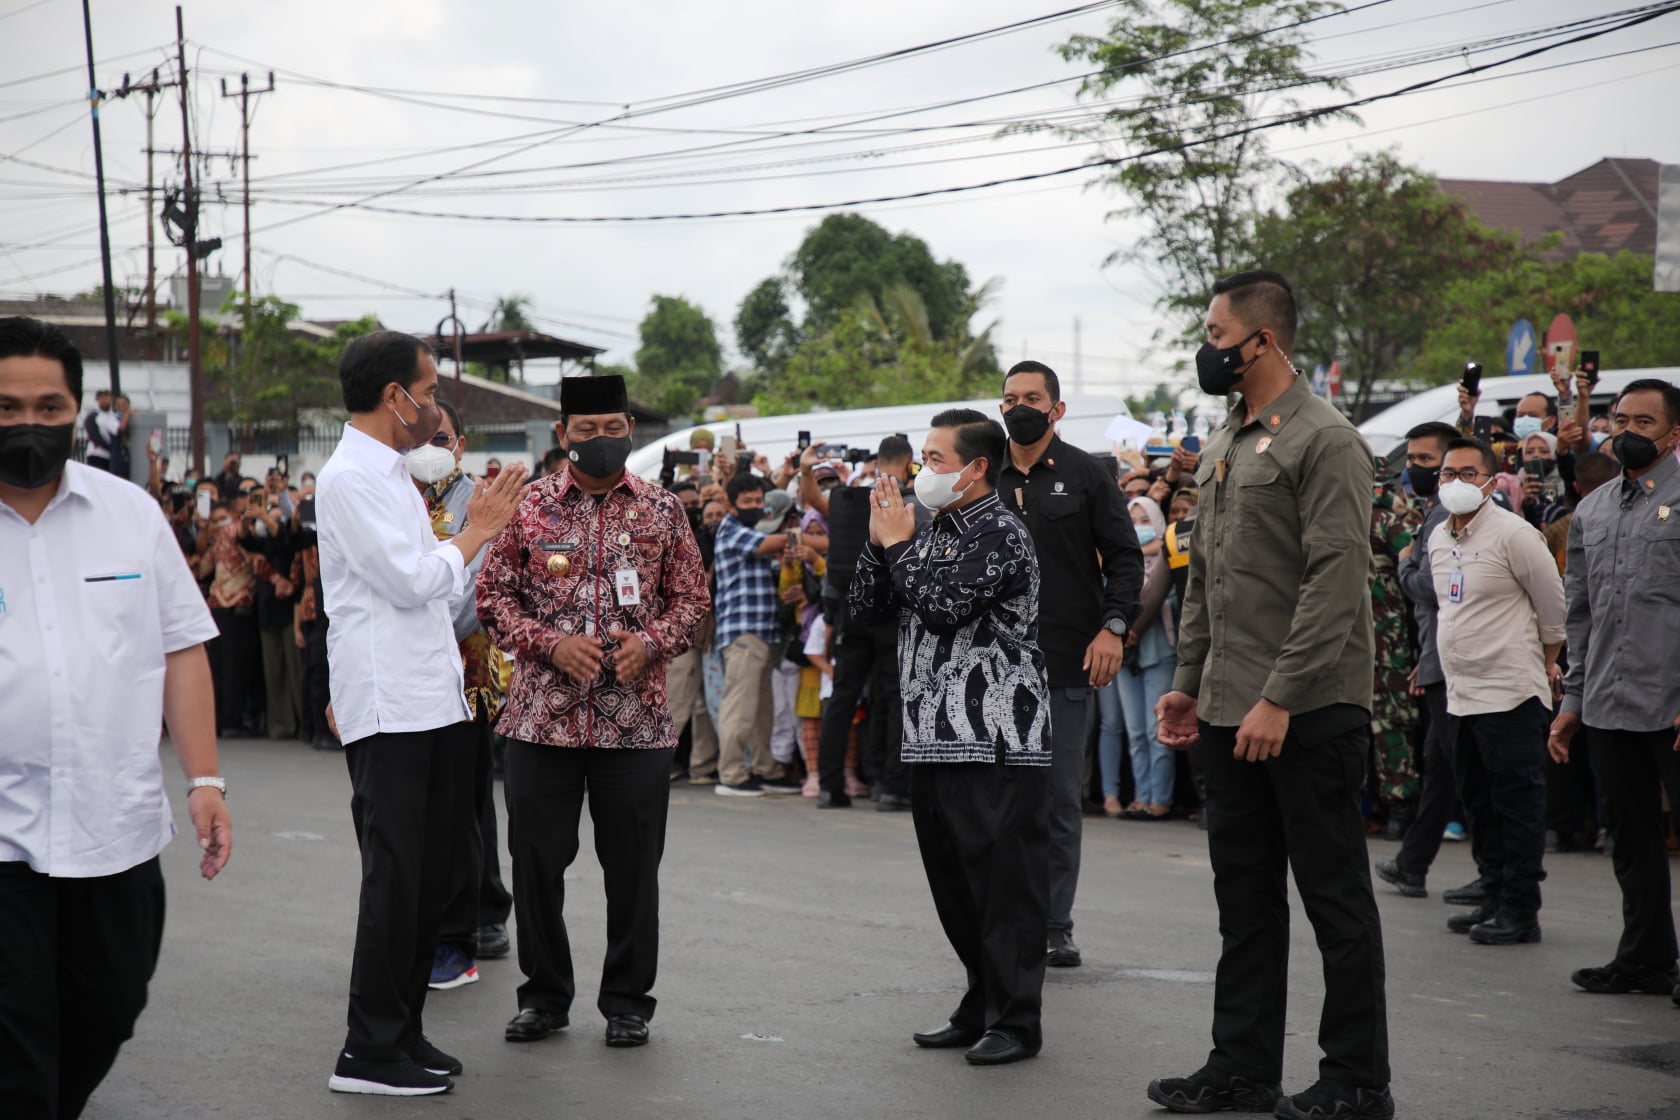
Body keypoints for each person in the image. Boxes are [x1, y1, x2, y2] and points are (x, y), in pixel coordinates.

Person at [1151, 270, 1391, 1120]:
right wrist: (1187, 685)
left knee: (1334, 900)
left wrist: (1280, 697)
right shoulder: (1224, 442)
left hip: (1308, 708)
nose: (1206, 347)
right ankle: (1241, 1067)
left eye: (1217, 333)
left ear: (1263, 340)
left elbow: (1336, 580)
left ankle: (1357, 1079)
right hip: (1226, 706)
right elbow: (1208, 581)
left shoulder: (1325, 440)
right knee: (1244, 901)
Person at [0, 316, 231, 1118]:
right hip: (4, 833)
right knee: (17, 1043)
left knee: (109, 1007)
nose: (28, 424)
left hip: (113, 824)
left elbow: (183, 649)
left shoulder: (130, 514)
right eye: (6, 408)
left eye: (47, 406)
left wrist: (205, 779)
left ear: (81, 410)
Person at [317, 331, 527, 1097]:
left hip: (431, 697)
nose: (435, 405)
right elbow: (412, 583)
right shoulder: (350, 479)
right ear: (394, 396)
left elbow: (430, 589)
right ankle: (367, 1050)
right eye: (428, 388)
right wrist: (477, 533)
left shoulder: (392, 474)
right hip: (390, 703)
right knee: (396, 879)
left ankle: (402, 1032)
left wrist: (469, 541)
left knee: (433, 876)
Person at [478, 373, 710, 1050]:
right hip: (540, 723)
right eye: (587, 431)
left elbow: (691, 601)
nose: (601, 441)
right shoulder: (528, 509)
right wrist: (552, 645)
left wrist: (651, 642)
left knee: (633, 870)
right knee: (535, 865)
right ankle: (545, 997)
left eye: (613, 429)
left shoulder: (664, 509)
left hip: (635, 726)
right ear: (562, 435)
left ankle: (628, 1002)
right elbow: (493, 600)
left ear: (630, 430)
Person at [850, 408, 1051, 1067]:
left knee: (1002, 884)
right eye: (921, 459)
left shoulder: (1000, 532)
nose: (920, 471)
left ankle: (1016, 1020)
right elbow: (865, 610)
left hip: (993, 734)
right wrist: (880, 543)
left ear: (976, 468)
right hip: (929, 733)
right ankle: (980, 1001)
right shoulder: (928, 529)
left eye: (934, 460)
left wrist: (901, 545)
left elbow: (940, 607)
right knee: (955, 884)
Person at [996, 360, 1142, 968]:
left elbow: (1126, 559)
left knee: (1057, 800)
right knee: (999, 803)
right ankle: (1002, 919)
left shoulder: (1088, 473)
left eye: (1033, 397)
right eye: (1010, 398)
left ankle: (1055, 925)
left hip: (1063, 665)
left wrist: (1113, 628)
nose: (1019, 407)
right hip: (992, 667)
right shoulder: (982, 473)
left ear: (1057, 409)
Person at [1550, 379, 1680, 1000]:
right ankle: (1646, 957)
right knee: (1629, 836)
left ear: (1674, 434)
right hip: (1608, 699)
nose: (1625, 431)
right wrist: (1573, 701)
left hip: (1673, 700)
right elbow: (1580, 614)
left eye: (1644, 422)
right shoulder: (1594, 508)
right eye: (1620, 418)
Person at [1429, 438, 1565, 947]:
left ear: (1491, 479)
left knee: (1517, 804)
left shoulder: (1516, 535)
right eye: (1448, 474)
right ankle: (1491, 893)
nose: (1456, 483)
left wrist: (1545, 664)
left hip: (1510, 694)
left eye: (1469, 473)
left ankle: (1519, 908)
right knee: (1477, 803)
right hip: (1460, 695)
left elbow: (1554, 611)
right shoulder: (1439, 537)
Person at [406, 402, 517, 989]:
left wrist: (416, 632)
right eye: (416, 436)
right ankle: (437, 918)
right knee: (428, 805)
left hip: (467, 670)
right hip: (410, 673)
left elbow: (470, 596)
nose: (426, 446)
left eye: (439, 437)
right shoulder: (395, 494)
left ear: (460, 444)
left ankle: (485, 911)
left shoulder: (480, 503)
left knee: (471, 800)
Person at [1379, 422, 1476, 902]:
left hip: (1459, 661)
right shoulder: (1432, 513)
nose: (1413, 469)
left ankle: (1496, 874)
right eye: (1411, 460)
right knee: (1444, 763)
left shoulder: (1443, 518)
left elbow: (1433, 588)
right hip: (1439, 657)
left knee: (1462, 766)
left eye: (1423, 461)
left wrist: (1403, 564)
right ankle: (1413, 864)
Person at [813, 435, 927, 810]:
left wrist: (831, 617)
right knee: (894, 697)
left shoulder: (852, 502)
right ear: (909, 461)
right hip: (894, 614)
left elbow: (834, 568)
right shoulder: (914, 504)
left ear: (879, 461)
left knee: (842, 696)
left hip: (851, 611)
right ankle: (892, 788)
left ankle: (830, 787)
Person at [710, 473, 801, 795]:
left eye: (759, 501)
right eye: (747, 502)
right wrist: (801, 537)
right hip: (743, 633)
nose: (755, 506)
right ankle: (731, 775)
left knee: (763, 709)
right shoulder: (732, 529)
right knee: (740, 706)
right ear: (731, 505)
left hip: (761, 633)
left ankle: (766, 770)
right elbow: (771, 543)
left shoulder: (748, 528)